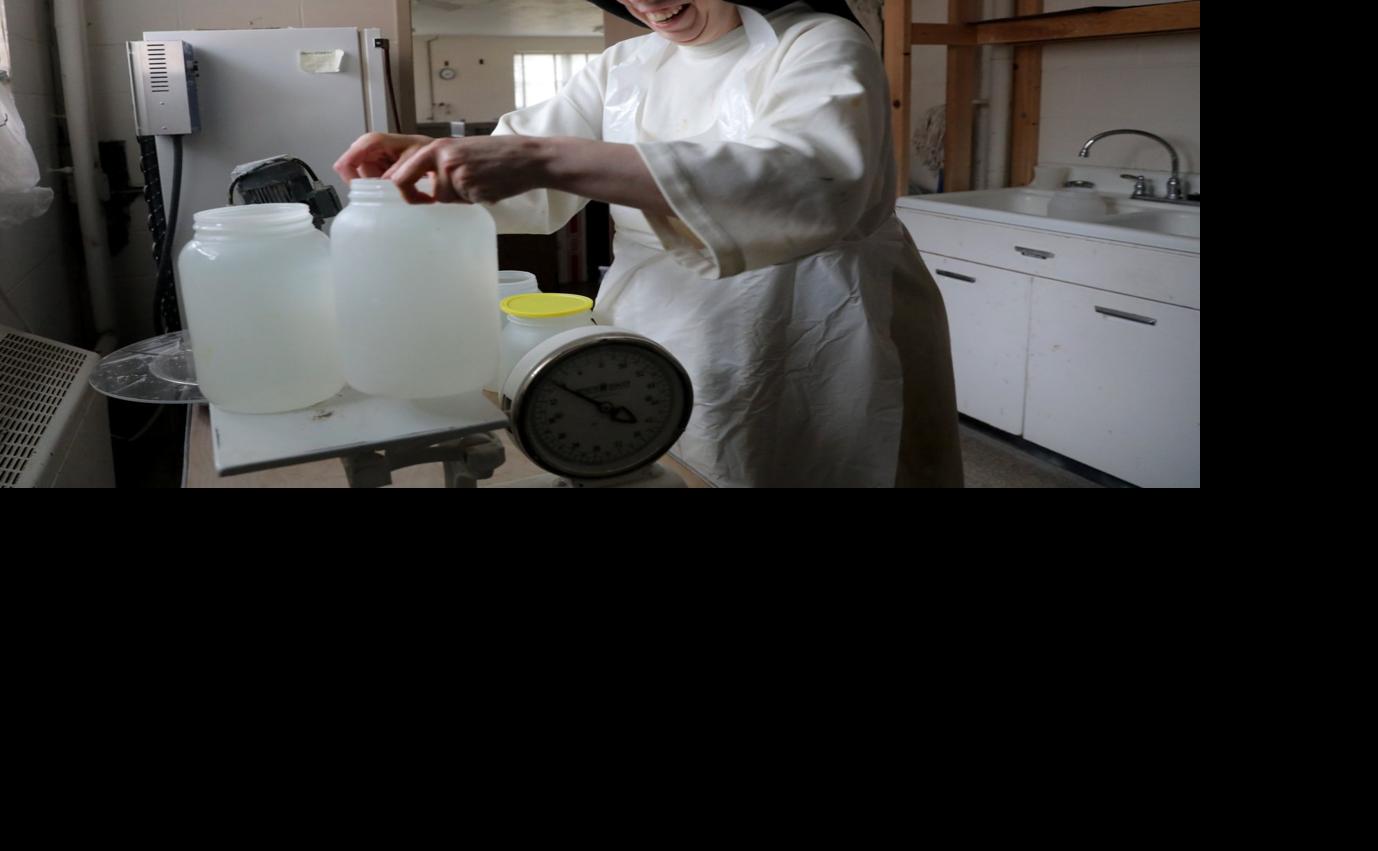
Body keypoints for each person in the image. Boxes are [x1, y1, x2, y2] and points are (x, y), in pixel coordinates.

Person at [334, 0, 964, 487]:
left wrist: (543, 157)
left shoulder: (819, 42)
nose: (650, 3)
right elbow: (525, 164)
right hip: (662, 313)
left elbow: (810, 179)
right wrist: (433, 160)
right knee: (659, 456)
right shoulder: (626, 65)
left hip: (811, 314)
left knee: (802, 462)